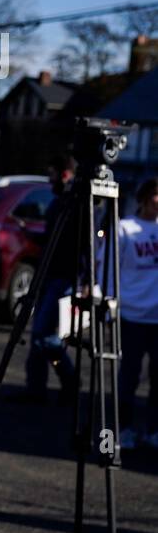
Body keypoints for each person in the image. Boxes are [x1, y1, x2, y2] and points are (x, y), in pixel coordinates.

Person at [17, 155, 81, 405]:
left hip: (62, 277)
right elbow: (52, 239)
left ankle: (68, 380)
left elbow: (79, 243)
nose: (49, 179)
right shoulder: (60, 203)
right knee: (39, 335)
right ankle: (38, 387)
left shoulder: (73, 205)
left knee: (44, 335)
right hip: (52, 274)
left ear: (64, 174)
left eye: (52, 174)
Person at [116, 177, 158, 449]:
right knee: (128, 378)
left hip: (157, 318)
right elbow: (110, 269)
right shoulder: (125, 229)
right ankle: (124, 430)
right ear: (144, 197)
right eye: (156, 195)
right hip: (131, 315)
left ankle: (152, 430)